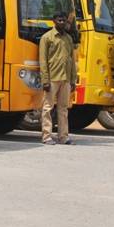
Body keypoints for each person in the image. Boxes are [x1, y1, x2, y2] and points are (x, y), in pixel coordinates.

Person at [39, 12, 77, 145]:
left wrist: (73, 80)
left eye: (64, 20)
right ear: (54, 21)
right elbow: (43, 61)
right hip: (52, 78)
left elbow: (72, 60)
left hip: (65, 79)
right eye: (59, 20)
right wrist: (45, 80)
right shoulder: (47, 38)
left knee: (63, 108)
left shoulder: (68, 38)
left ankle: (63, 136)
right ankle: (47, 136)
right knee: (47, 107)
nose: (62, 22)